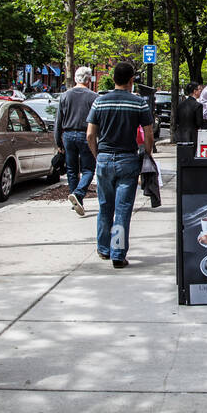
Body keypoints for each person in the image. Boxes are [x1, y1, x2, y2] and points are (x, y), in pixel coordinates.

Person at [86, 61, 154, 268]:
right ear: (131, 80)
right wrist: (147, 154)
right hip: (128, 159)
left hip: (105, 158)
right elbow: (149, 134)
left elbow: (90, 134)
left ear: (113, 78)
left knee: (105, 206)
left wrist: (98, 155)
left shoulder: (100, 102)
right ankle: (117, 253)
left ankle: (103, 249)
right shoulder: (139, 103)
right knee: (123, 209)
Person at [56, 66, 99, 216]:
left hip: (67, 135)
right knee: (88, 169)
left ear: (75, 78)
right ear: (88, 80)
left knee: (72, 170)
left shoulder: (65, 96)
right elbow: (97, 121)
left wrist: (58, 142)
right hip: (85, 134)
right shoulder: (94, 97)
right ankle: (78, 195)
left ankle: (76, 199)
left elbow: (58, 121)